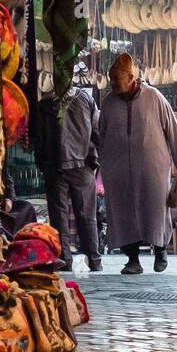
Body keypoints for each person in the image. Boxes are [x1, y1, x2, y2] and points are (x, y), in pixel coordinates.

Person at [98, 52, 177, 274]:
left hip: (152, 168)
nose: (112, 84)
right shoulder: (108, 103)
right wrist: (101, 167)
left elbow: (172, 130)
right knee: (124, 211)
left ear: (130, 78)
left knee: (155, 208)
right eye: (111, 80)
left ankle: (160, 251)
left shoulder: (154, 97)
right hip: (118, 170)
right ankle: (133, 260)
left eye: (116, 80)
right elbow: (100, 135)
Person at [35, 85, 103, 272]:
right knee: (87, 216)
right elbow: (97, 131)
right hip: (83, 165)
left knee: (59, 217)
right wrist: (97, 159)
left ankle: (65, 259)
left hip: (55, 165)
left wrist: (42, 163)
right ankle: (94, 259)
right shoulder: (85, 99)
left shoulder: (45, 104)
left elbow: (38, 139)